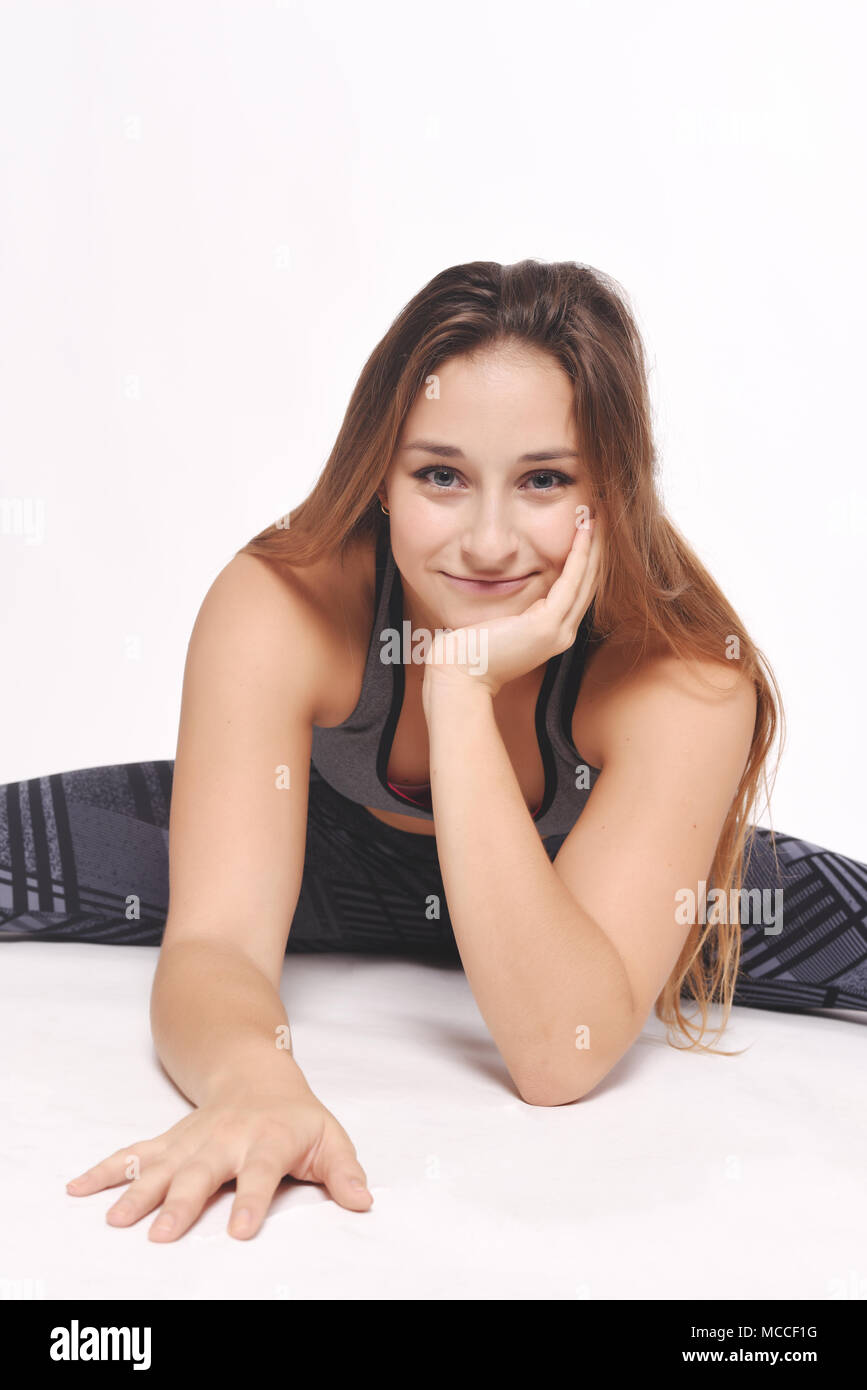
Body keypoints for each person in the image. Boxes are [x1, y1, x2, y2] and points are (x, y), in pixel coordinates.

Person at [3, 260, 865, 1246]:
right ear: (381, 474)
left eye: (544, 480)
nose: (489, 541)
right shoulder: (281, 603)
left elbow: (556, 1054)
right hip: (325, 858)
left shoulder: (683, 676)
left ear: (613, 489)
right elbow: (217, 943)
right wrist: (257, 1084)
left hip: (580, 902)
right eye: (441, 476)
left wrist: (458, 692)